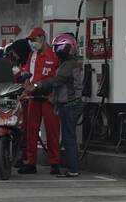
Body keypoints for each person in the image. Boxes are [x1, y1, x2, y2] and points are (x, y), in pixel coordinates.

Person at [19, 27, 62, 175]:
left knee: (52, 131)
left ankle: (55, 163)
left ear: (42, 38)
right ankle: (31, 163)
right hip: (33, 97)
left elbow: (58, 79)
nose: (32, 43)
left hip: (49, 98)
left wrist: (54, 94)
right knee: (31, 131)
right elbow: (25, 72)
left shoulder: (54, 56)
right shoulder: (33, 55)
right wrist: (24, 81)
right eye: (30, 41)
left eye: (34, 40)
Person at [39, 33, 83, 178]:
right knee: (68, 137)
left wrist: (39, 85)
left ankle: (73, 169)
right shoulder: (70, 63)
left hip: (70, 105)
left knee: (68, 138)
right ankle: (73, 167)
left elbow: (57, 80)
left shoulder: (69, 64)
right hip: (71, 104)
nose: (57, 51)